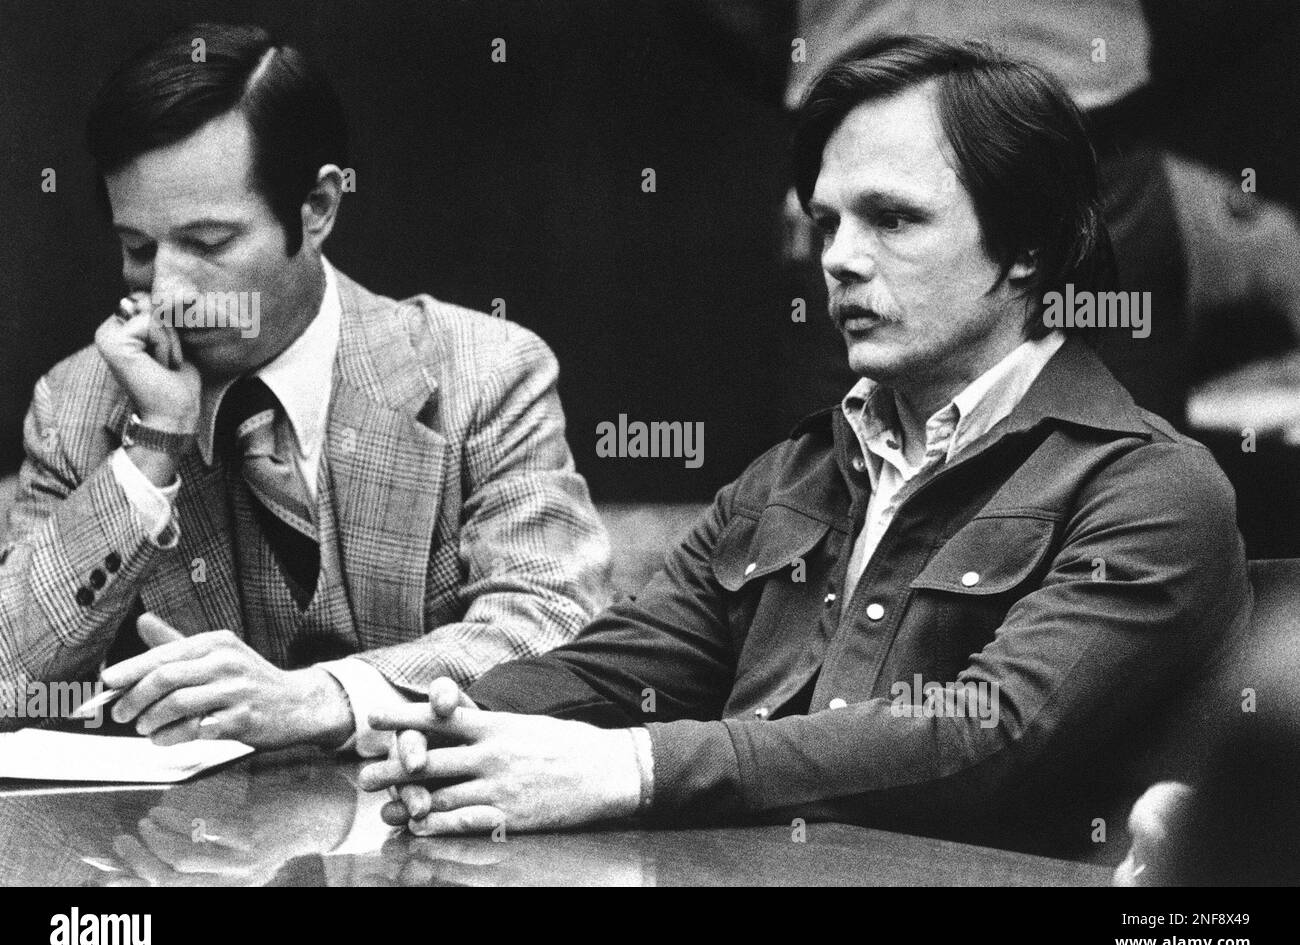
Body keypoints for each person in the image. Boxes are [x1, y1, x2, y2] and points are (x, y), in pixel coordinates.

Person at [362, 36, 1251, 857]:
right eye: (827, 224)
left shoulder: (1152, 489)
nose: (840, 259)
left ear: (1027, 248)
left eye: (892, 219)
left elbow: (984, 735)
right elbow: (614, 668)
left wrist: (630, 767)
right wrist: (430, 720)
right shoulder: (793, 474)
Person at [0, 23, 611, 752]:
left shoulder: (484, 372)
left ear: (317, 207)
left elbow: (559, 625)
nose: (165, 291)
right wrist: (150, 451)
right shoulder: (78, 406)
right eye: (138, 248)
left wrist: (325, 697)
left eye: (206, 244)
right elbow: (8, 678)